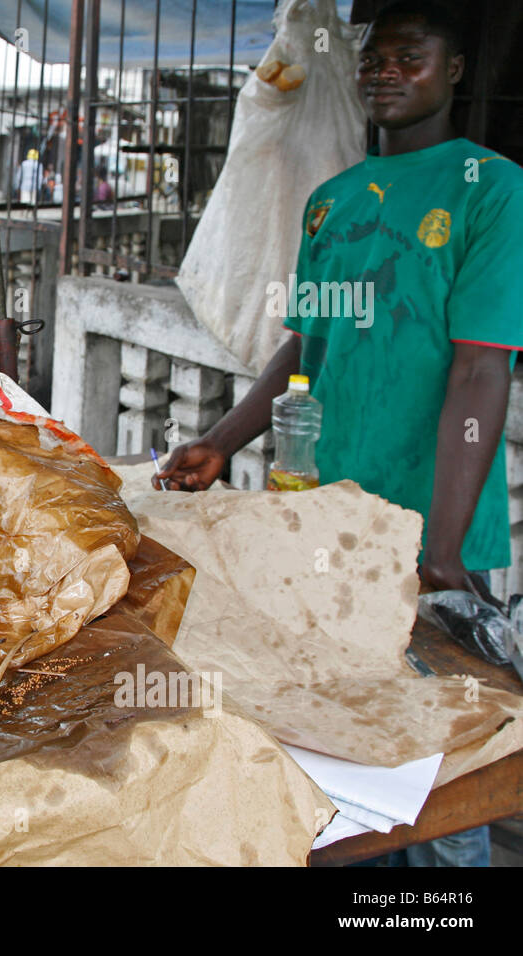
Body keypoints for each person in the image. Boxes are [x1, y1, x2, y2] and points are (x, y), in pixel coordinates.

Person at [154, 0, 521, 867]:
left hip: (433, 532)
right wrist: (223, 439)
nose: (384, 70)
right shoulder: (331, 204)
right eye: (373, 57)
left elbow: (481, 368)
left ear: (454, 70)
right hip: (324, 524)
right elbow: (306, 348)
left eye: (410, 55)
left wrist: (443, 544)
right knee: (333, 756)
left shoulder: (494, 189)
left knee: (438, 780)